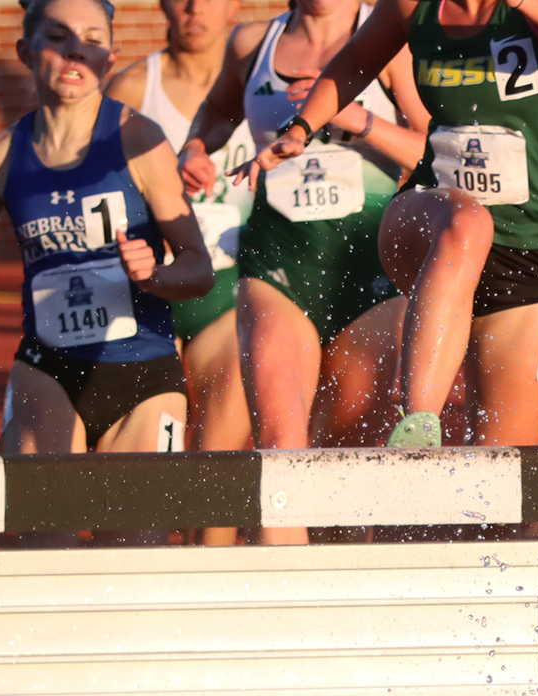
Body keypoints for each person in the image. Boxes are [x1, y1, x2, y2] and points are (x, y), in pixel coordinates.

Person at [240, 0, 538, 451]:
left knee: (505, 464)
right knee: (468, 222)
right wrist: (302, 128)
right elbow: (356, 59)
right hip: (428, 219)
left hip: (533, 249)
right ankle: (418, 424)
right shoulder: (412, 5)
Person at [180, 0, 429, 544]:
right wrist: (195, 149)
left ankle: (333, 593)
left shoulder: (389, 40)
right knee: (280, 447)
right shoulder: (253, 43)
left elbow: (434, 150)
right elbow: (216, 113)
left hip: (370, 268)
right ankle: (280, 589)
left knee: (346, 462)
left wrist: (359, 121)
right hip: (279, 265)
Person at [0, 0, 211, 479]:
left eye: (92, 40)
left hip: (145, 373)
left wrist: (155, 276)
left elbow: (198, 268)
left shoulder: (140, 140)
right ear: (25, 51)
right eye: (57, 37)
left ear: (110, 58)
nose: (75, 51)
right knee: (43, 518)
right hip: (46, 370)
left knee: (136, 525)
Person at [105, 0, 252, 487]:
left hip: (229, 290)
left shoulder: (260, 82)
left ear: (234, 5)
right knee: (141, 478)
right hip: (149, 290)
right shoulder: (132, 89)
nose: (194, 8)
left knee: (216, 466)